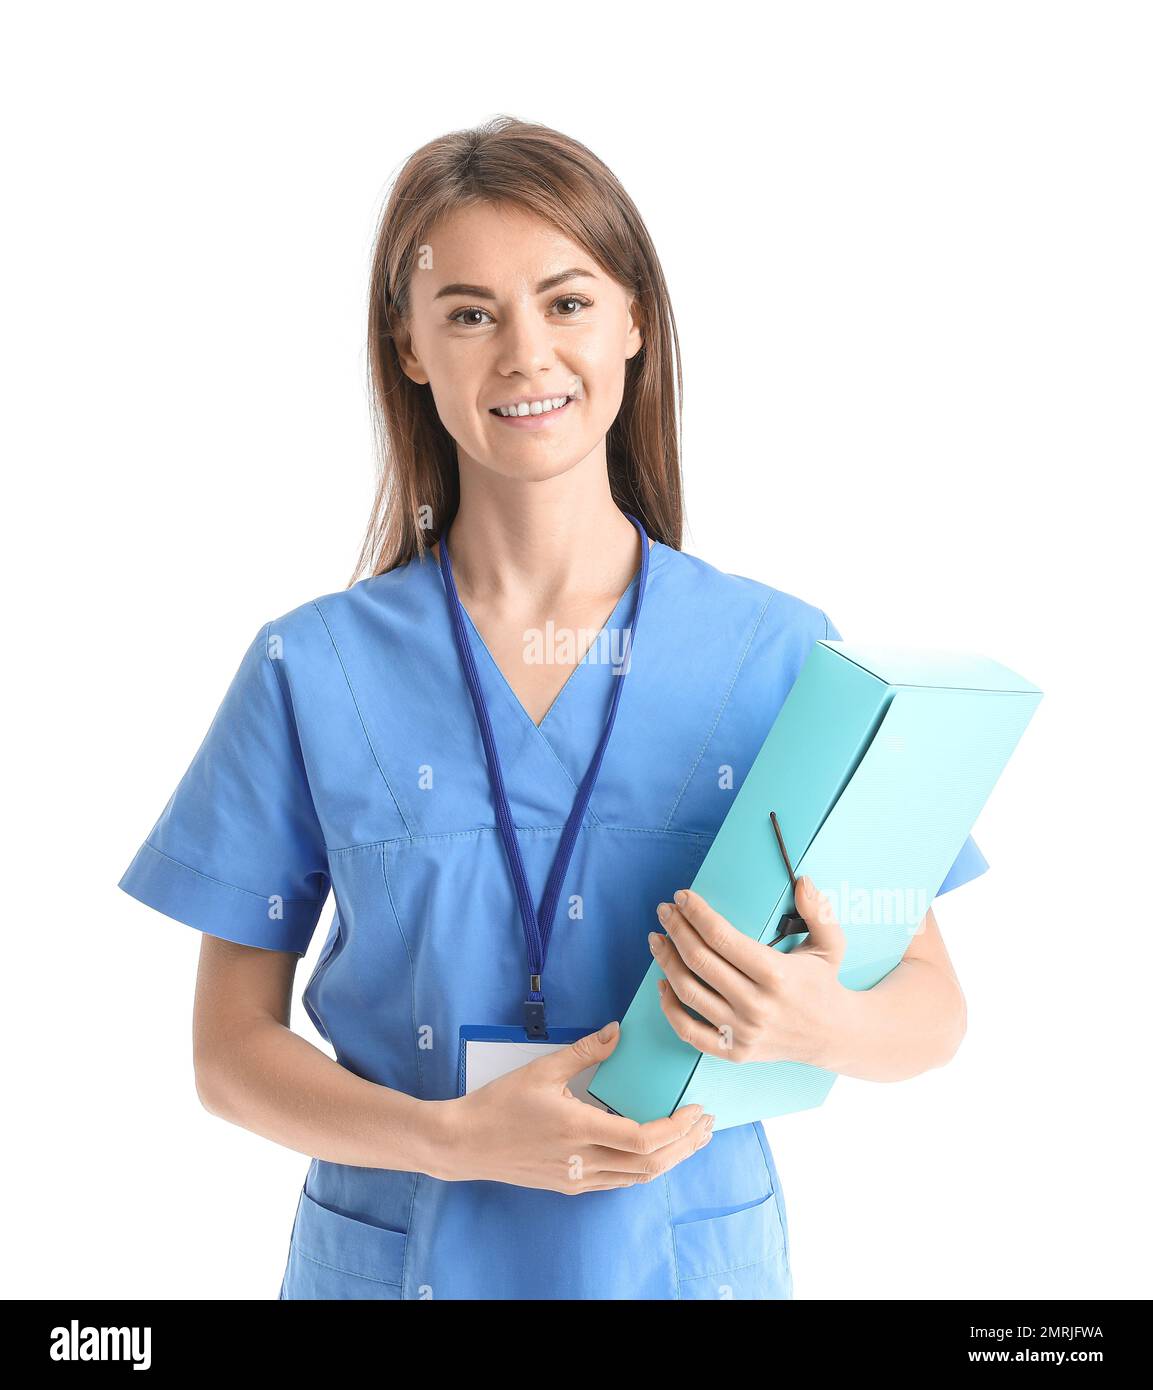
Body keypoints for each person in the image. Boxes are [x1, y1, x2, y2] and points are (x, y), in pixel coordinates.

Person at [118, 116, 987, 1301]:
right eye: (470, 312)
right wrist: (455, 1138)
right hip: (397, 1259)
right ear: (411, 346)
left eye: (566, 302)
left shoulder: (780, 653)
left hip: (687, 1262)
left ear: (634, 320)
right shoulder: (310, 666)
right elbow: (228, 1055)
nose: (525, 352)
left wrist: (812, 1019)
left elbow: (929, 1009)